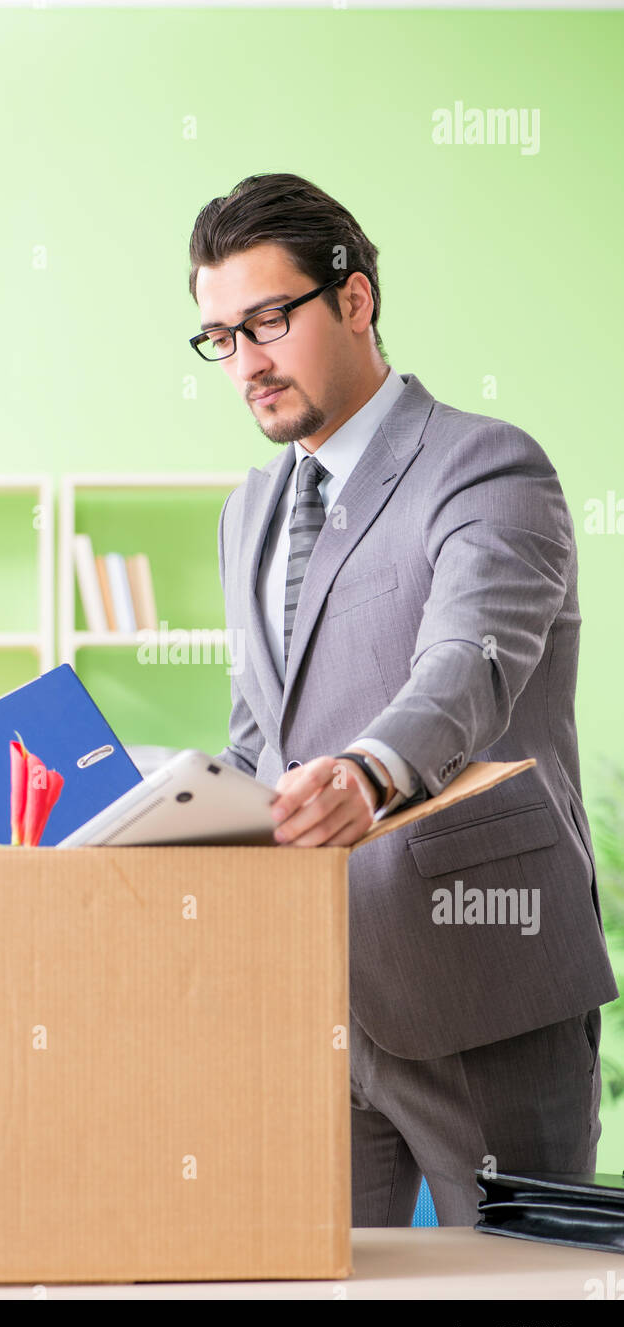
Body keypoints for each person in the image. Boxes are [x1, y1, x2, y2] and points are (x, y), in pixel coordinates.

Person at [188, 171, 618, 1226]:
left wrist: (373, 772)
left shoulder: (485, 467)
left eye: (268, 321)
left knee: (522, 1314)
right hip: (317, 997)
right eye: (219, 337)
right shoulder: (250, 511)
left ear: (356, 300)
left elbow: (469, 660)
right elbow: (263, 736)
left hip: (482, 977)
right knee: (329, 1288)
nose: (246, 362)